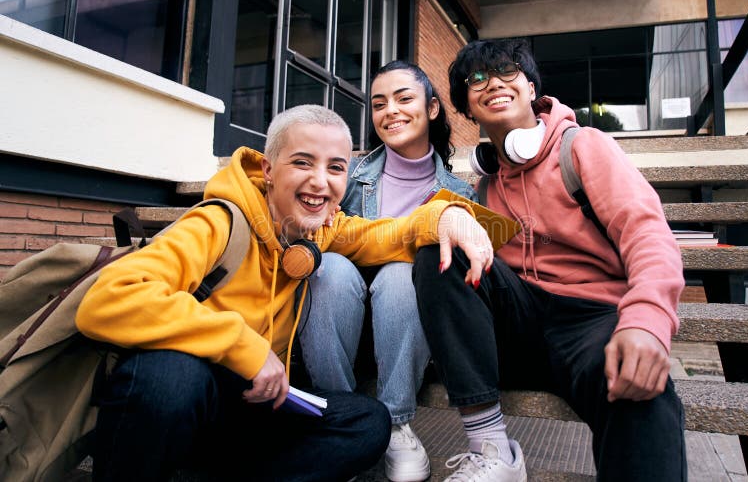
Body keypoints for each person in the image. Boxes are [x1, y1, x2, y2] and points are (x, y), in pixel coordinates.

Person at [76, 104, 494, 482]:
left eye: (335, 168)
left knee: (368, 422)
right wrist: (245, 349)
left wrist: (448, 214)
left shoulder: (322, 229)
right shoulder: (217, 223)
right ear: (269, 168)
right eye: (302, 162)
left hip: (251, 406)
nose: (320, 181)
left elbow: (393, 232)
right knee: (168, 374)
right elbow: (109, 298)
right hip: (184, 399)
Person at [413, 39, 687, 482]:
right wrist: (447, 217)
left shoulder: (583, 147)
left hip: (591, 320)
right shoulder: (484, 184)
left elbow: (647, 233)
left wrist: (646, 321)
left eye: (507, 71)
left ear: (530, 85)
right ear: (466, 105)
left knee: (638, 388)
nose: (493, 84)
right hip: (520, 325)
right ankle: (493, 450)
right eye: (477, 79)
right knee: (439, 250)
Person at [299, 61, 478, 482]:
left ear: (432, 108)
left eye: (403, 99)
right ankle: (343, 420)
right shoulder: (348, 176)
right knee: (332, 269)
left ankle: (396, 421)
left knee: (403, 272)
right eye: (379, 104)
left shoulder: (460, 195)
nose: (390, 111)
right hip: (339, 321)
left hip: (410, 333)